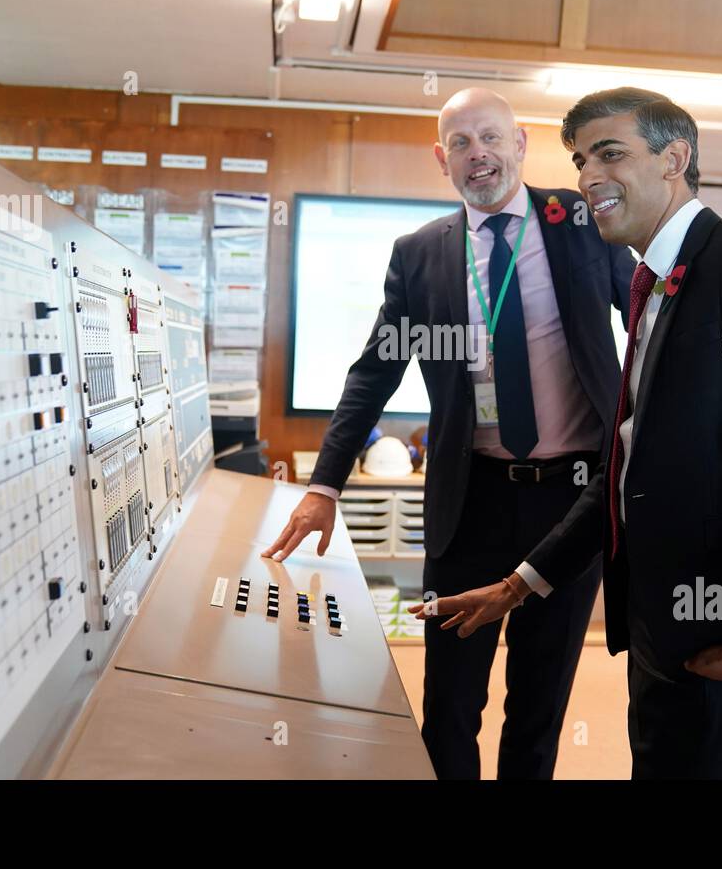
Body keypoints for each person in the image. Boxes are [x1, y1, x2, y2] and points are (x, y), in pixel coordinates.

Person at [412, 87, 722, 779]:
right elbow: (627, 468)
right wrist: (519, 585)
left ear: (675, 158)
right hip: (660, 621)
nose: (588, 177)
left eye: (611, 154)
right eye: (582, 159)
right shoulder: (655, 284)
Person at [266, 87, 635, 779]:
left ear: (521, 144)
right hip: (471, 503)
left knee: (538, 703)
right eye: (462, 144)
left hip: (573, 500)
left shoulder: (578, 219)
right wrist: (324, 485)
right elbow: (372, 375)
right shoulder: (420, 253)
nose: (479, 155)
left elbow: (647, 321)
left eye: (491, 138)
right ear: (443, 160)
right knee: (450, 703)